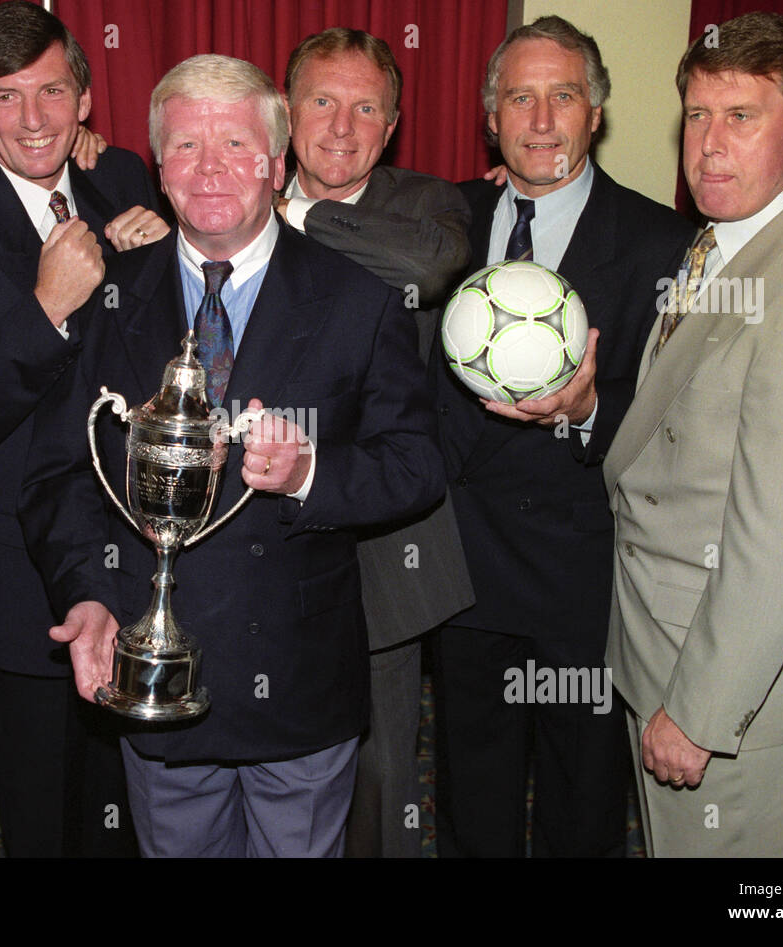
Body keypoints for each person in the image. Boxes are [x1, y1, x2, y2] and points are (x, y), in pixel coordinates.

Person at [18, 53, 443, 857]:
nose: (209, 168)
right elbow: (58, 473)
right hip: (153, 675)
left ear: (276, 163)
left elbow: (416, 464)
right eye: (184, 147)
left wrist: (312, 471)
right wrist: (90, 595)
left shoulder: (359, 300)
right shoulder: (108, 296)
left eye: (235, 146)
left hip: (298, 687)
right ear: (158, 165)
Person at [605, 11, 783, 857]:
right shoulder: (731, 237)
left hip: (736, 701)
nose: (709, 145)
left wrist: (699, 713)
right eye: (697, 115)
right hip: (671, 649)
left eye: (742, 116)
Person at [0, 0, 163, 857]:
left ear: (85, 97)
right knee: (43, 799)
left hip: (138, 533)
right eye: (5, 98)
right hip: (20, 568)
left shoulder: (126, 182)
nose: (34, 118)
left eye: (52, 90)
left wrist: (153, 258)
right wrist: (47, 307)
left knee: (127, 788)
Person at [431, 15, 694, 857]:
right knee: (473, 793)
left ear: (596, 113)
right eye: (521, 97)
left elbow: (682, 415)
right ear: (492, 118)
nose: (542, 120)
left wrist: (583, 411)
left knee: (583, 801)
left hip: (583, 575)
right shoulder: (442, 217)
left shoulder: (664, 242)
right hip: (462, 568)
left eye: (564, 96)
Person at [277, 26, 474, 859]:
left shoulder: (427, 207)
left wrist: (293, 214)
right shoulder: (224, 197)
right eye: (322, 101)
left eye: (366, 108)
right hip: (256, 535)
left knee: (379, 771)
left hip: (385, 547)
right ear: (286, 112)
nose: (341, 126)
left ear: (391, 128)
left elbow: (426, 270)